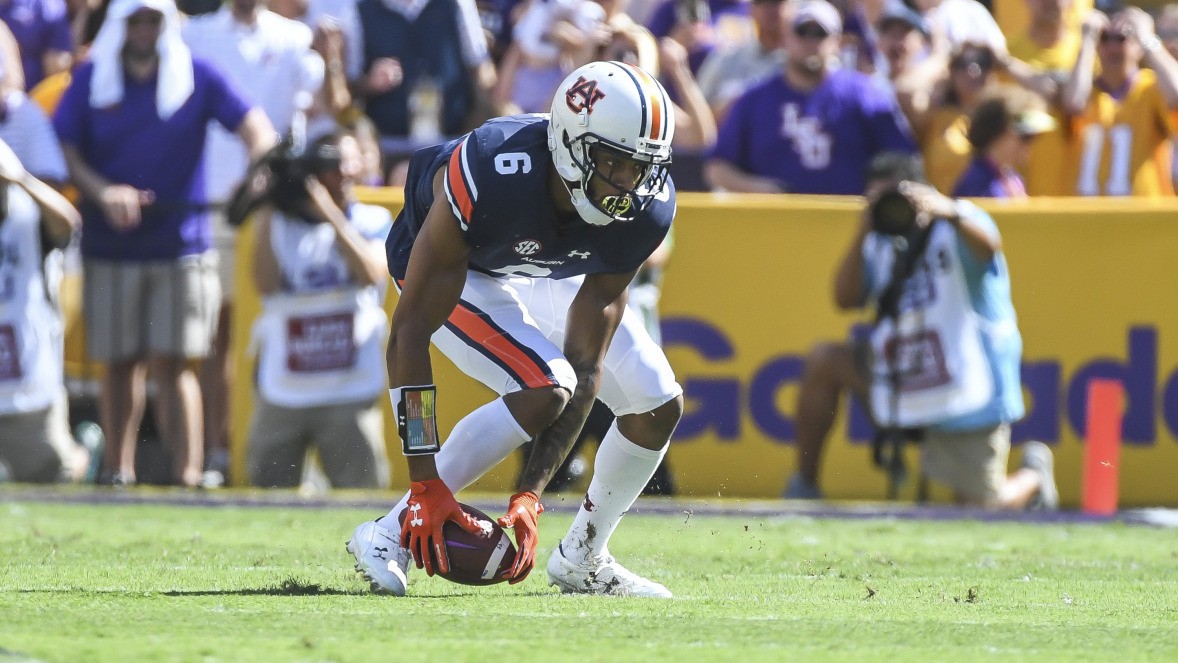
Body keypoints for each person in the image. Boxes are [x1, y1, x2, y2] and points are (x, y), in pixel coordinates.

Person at [346, 60, 683, 598]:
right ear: (573, 146)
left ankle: (583, 558)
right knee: (542, 386)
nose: (629, 185)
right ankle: (391, 533)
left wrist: (531, 493)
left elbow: (587, 361)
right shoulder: (490, 171)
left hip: (545, 267)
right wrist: (424, 482)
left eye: (641, 168)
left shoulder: (646, 208)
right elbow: (408, 333)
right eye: (615, 163)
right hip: (458, 265)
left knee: (656, 402)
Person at [52, 0, 275, 486]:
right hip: (111, 245)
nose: (145, 29)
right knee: (117, 365)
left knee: (176, 366)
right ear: (121, 25)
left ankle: (189, 475)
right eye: (136, 19)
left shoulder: (196, 74)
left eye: (154, 19)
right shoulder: (92, 78)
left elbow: (258, 129)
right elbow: (64, 145)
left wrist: (253, 176)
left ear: (166, 24)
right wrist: (102, 191)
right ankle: (118, 470)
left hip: (181, 244)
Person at [785, 152, 1058, 511]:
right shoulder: (880, 242)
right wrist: (862, 232)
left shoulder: (958, 221)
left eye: (895, 199)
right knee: (825, 360)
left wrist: (948, 210)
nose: (889, 208)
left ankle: (1033, 478)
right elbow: (844, 298)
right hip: (903, 374)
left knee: (980, 510)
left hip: (966, 379)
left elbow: (989, 245)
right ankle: (804, 487)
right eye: (877, 202)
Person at [183, 0, 326, 488]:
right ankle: (216, 453)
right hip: (210, 204)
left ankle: (285, 457)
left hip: (273, 211)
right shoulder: (195, 34)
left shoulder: (293, 36)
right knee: (213, 338)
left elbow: (318, 110)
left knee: (279, 327)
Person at [240, 131, 392, 489]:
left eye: (346, 162)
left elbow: (371, 272)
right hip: (285, 386)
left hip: (350, 389)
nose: (340, 172)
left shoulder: (373, 218)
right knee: (267, 492)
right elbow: (265, 284)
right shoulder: (279, 225)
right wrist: (266, 208)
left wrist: (329, 212)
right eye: (329, 164)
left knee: (362, 498)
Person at [704, 0, 917, 194]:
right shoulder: (754, 98)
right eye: (802, 31)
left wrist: (875, 192)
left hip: (849, 223)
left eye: (820, 33)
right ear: (786, 37)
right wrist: (761, 189)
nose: (810, 41)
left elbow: (903, 159)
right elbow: (717, 167)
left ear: (838, 42)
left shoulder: (865, 94)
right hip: (773, 224)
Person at [0, 138, 89, 483]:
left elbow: (68, 222)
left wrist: (21, 178)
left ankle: (83, 452)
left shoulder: (29, 216)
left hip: (28, 388)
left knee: (57, 474)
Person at [1062, 7, 1178, 197]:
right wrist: (1088, 40)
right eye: (1104, 38)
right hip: (1088, 217)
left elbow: (1176, 95)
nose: (1113, 47)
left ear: (1138, 46)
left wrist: (1147, 38)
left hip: (1144, 217)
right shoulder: (1085, 88)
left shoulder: (1150, 89)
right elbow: (1074, 103)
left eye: (1122, 38)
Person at [953, 87, 1056, 198]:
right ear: (998, 132)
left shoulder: (1012, 178)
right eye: (1026, 136)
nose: (1029, 145)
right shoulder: (976, 181)